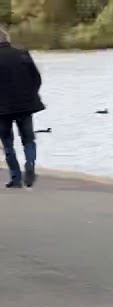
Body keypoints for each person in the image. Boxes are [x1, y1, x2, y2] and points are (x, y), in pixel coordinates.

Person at [0, 27, 44, 189]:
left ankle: (16, 178)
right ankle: (30, 164)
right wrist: (31, 95)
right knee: (28, 139)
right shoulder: (23, 54)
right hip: (26, 105)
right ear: (7, 39)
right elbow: (36, 78)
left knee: (7, 143)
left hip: (2, 109)